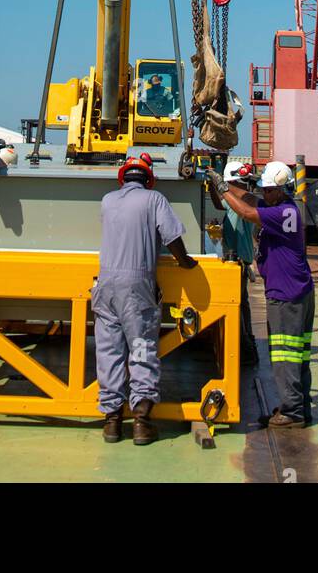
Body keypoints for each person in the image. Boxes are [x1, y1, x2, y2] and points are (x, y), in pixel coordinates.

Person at [94, 153, 198, 446]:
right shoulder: (154, 200)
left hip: (105, 284)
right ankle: (141, 421)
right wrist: (185, 261)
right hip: (136, 285)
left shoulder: (107, 201)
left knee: (109, 350)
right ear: (148, 177)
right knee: (141, 346)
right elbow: (171, 237)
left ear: (123, 176)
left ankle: (111, 423)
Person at [208, 159, 314, 428]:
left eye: (268, 190)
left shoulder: (283, 213)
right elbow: (252, 199)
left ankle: (292, 412)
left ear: (281, 190)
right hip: (298, 291)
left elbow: (246, 211)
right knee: (299, 354)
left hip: (286, 295)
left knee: (284, 355)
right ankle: (299, 404)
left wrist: (222, 188)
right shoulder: (282, 205)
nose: (264, 193)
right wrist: (223, 182)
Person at [207, 160, 259, 366]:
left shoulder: (241, 203)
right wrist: (213, 186)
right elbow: (219, 203)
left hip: (236, 261)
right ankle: (248, 349)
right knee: (243, 306)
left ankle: (246, 350)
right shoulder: (243, 201)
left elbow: (221, 202)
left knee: (237, 308)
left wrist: (216, 184)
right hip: (240, 260)